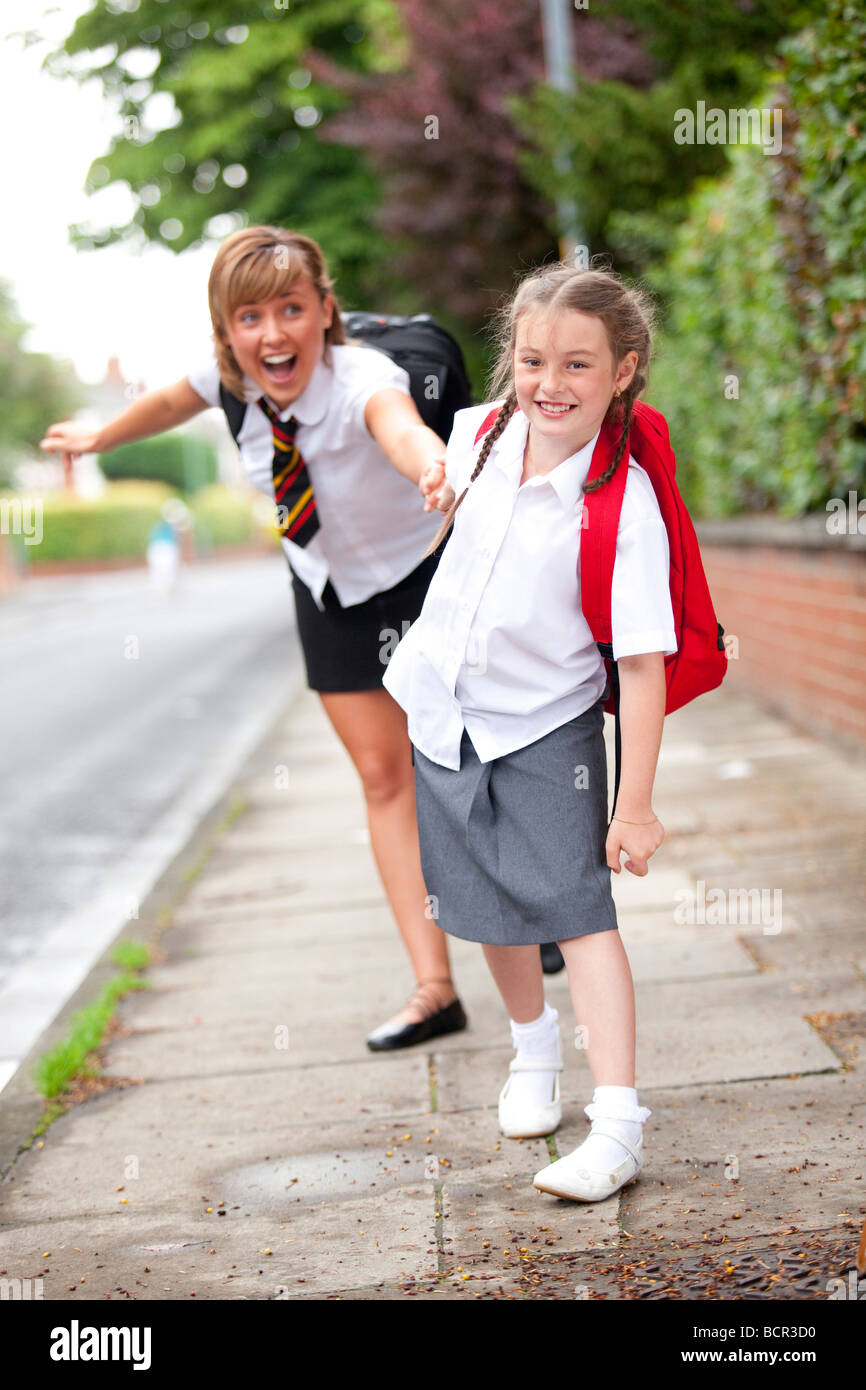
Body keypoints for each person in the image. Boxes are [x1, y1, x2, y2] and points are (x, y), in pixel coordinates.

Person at [39, 225, 468, 1052]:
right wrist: (101, 437)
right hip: (328, 589)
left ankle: (540, 913)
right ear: (227, 333)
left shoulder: (364, 378)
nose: (272, 334)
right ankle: (435, 989)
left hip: (423, 573)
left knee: (471, 758)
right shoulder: (228, 377)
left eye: (291, 310)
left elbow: (399, 425)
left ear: (325, 312)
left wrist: (431, 466)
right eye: (249, 319)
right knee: (385, 782)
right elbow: (171, 400)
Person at [383, 261, 677, 1201]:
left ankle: (621, 1125)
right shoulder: (477, 432)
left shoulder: (623, 503)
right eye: (533, 359)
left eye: (578, 366)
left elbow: (641, 666)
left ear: (624, 371)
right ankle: (533, 1050)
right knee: (476, 900)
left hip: (545, 728)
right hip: (441, 709)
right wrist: (437, 490)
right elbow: (442, 524)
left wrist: (633, 807)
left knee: (579, 915)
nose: (550, 384)